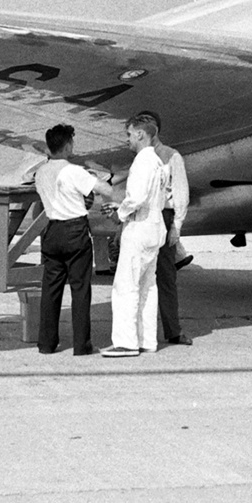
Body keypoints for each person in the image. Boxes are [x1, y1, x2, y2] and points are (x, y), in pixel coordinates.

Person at [33, 124, 115, 355]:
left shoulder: (41, 172)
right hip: (75, 229)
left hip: (52, 230)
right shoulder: (74, 171)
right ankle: (82, 344)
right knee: (80, 289)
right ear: (68, 145)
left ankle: (46, 343)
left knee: (51, 290)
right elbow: (104, 190)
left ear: (48, 147)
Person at [100, 113, 169, 357]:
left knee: (126, 286)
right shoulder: (159, 163)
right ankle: (147, 340)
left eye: (129, 134)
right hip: (155, 226)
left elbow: (137, 198)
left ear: (140, 134)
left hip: (139, 228)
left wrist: (120, 214)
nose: (128, 140)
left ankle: (126, 342)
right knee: (148, 287)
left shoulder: (141, 161)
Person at [135, 110, 194, 347]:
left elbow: (181, 192)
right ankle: (139, 334)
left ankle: (173, 331)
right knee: (139, 276)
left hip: (164, 215)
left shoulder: (171, 156)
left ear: (154, 130)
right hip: (143, 215)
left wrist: (176, 227)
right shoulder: (141, 156)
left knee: (166, 278)